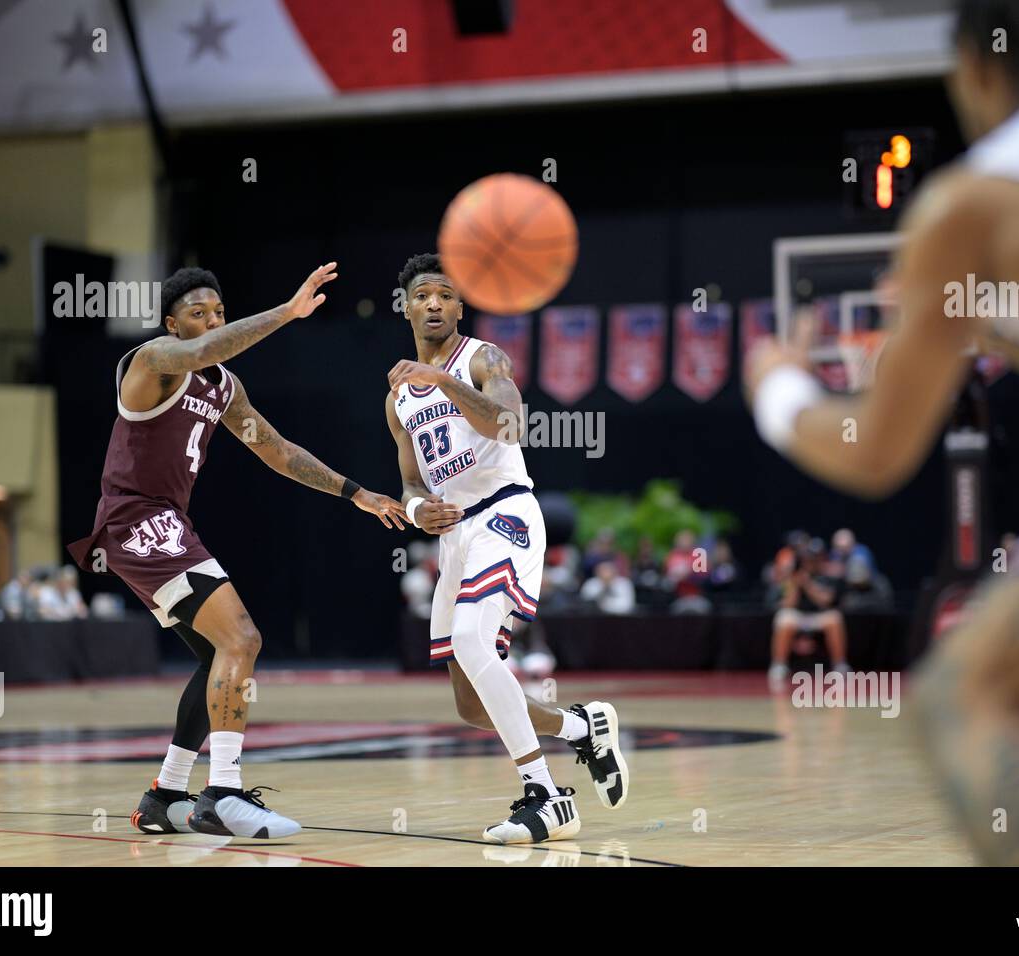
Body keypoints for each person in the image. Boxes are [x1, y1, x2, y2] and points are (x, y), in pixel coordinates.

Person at [746, 0, 1019, 864]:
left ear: (977, 68)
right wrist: (1010, 333)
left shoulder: (984, 191)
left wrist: (780, 391)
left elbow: (878, 453)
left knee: (968, 689)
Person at [67, 264, 407, 840]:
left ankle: (164, 795)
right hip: (136, 519)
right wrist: (287, 311)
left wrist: (356, 493)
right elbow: (211, 348)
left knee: (214, 656)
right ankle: (222, 794)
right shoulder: (151, 362)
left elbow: (276, 450)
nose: (212, 323)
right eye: (197, 315)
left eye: (218, 311)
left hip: (162, 524)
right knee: (242, 639)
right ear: (171, 325)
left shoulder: (223, 386)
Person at [386, 252, 629, 844]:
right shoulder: (397, 399)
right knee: (471, 704)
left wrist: (443, 379)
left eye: (446, 294)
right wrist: (418, 508)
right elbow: (411, 480)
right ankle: (581, 727)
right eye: (423, 295)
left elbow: (511, 425)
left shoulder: (481, 358)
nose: (435, 304)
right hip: (454, 537)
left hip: (505, 511)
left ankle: (547, 797)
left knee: (473, 640)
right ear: (408, 307)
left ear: (461, 307)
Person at [767, 540, 851, 691]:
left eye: (816, 558)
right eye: (809, 558)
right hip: (798, 616)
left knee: (834, 618)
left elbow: (826, 601)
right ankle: (779, 665)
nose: (812, 561)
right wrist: (796, 584)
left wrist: (807, 584)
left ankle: (839, 664)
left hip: (819, 616)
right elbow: (787, 604)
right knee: (784, 618)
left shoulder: (829, 575)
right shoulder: (792, 576)